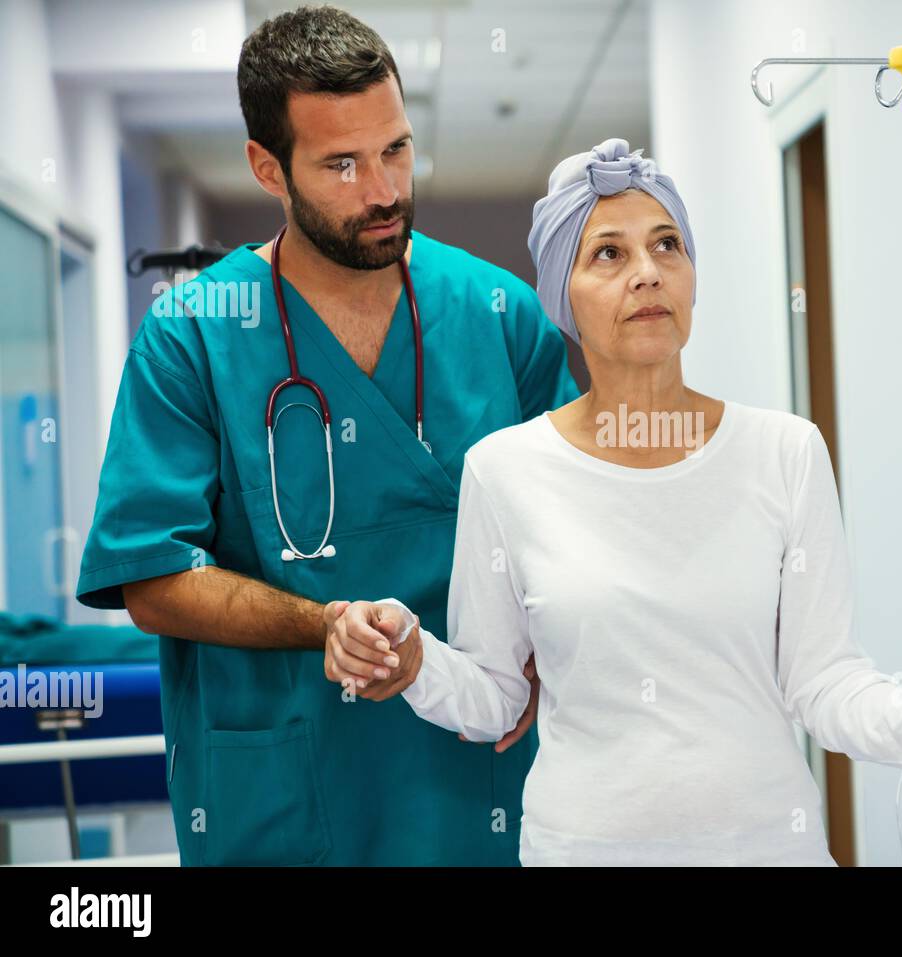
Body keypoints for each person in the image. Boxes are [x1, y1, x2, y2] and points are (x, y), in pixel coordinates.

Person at [325, 138, 902, 866]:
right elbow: (496, 694)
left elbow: (823, 680)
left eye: (667, 245)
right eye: (609, 255)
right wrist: (411, 660)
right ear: (563, 298)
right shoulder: (507, 471)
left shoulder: (785, 452)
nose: (648, 273)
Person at [75, 6, 577, 865]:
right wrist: (324, 624)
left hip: (473, 778)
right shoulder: (193, 334)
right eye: (341, 164)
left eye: (395, 150)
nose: (382, 191)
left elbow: (575, 524)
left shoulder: (498, 313)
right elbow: (151, 576)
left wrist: (549, 646)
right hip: (285, 785)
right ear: (267, 167)